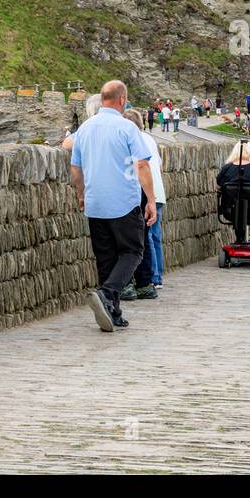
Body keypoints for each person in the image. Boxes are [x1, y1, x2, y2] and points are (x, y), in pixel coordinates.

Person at [70, 80, 157, 332]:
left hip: (95, 203)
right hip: (124, 202)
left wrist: (81, 194)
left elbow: (76, 168)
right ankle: (107, 294)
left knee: (106, 258)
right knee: (133, 251)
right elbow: (141, 165)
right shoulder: (126, 128)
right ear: (122, 99)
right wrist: (150, 200)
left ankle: (113, 311)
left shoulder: (84, 129)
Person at [123, 109, 166, 293]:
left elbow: (139, 166)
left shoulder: (131, 139)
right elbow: (159, 164)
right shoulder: (149, 139)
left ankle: (149, 279)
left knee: (143, 237)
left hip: (144, 192)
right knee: (154, 236)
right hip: (157, 191)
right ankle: (156, 277)